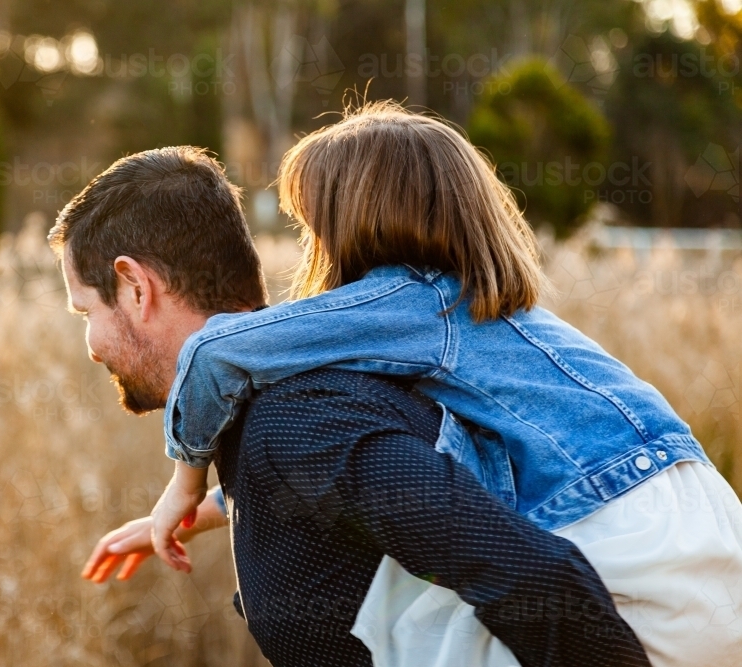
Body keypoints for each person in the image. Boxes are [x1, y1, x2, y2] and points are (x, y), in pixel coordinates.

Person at [150, 102, 742, 666]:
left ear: (357, 221)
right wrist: (212, 508)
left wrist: (183, 480)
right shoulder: (489, 317)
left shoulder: (412, 300)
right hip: (708, 552)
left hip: (634, 568)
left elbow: (211, 351)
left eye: (312, 225)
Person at [52, 145, 650, 666]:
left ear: (134, 286)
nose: (90, 344)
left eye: (86, 312)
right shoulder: (297, 416)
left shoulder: (296, 421)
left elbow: (542, 583)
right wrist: (218, 505)